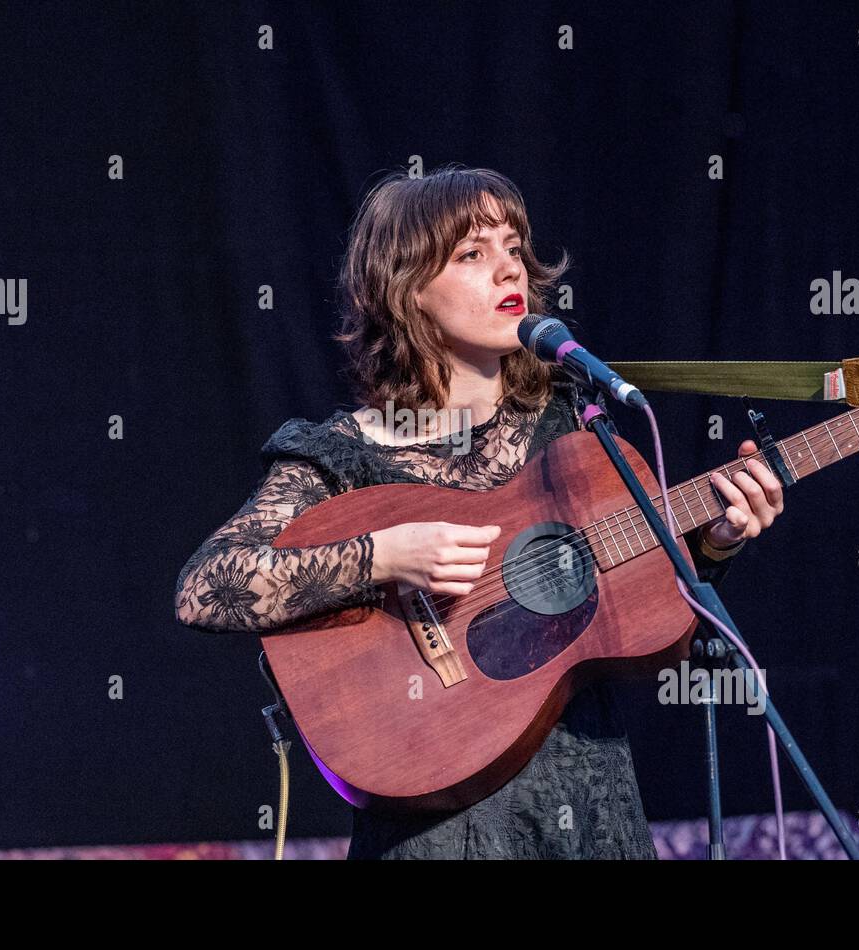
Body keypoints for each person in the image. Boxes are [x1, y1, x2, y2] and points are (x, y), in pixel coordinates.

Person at [174, 166, 785, 859]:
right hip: (432, 837)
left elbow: (654, 632)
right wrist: (384, 555)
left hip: (586, 820)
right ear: (407, 291)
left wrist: (717, 544)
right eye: (472, 253)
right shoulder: (339, 454)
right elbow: (205, 589)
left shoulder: (576, 433)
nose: (508, 268)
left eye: (513, 245)